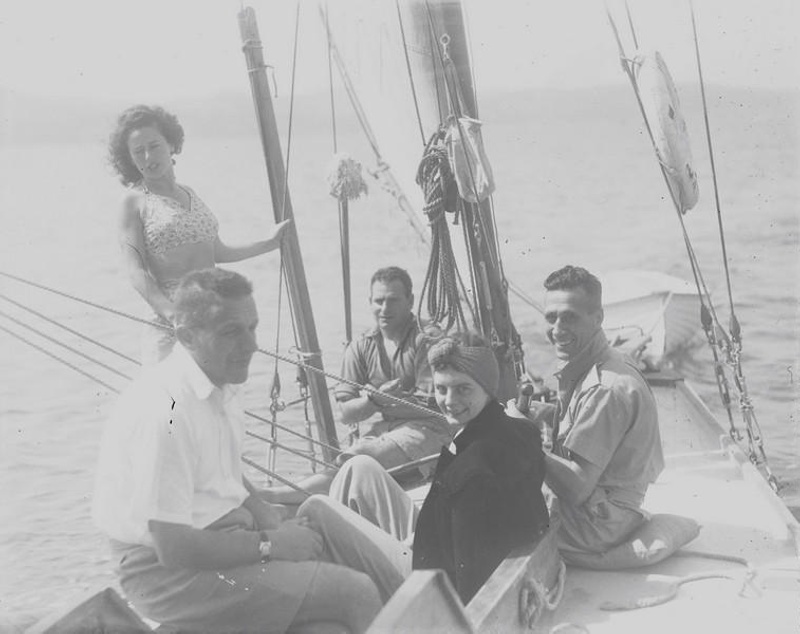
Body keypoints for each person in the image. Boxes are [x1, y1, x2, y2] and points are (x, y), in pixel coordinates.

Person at [92, 268, 411, 634]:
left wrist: (268, 517)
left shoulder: (217, 381)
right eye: (231, 331)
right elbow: (173, 547)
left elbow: (224, 475)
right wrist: (271, 544)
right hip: (170, 577)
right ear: (186, 336)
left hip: (223, 534)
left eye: (252, 327)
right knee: (352, 592)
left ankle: (433, 608)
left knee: (320, 514)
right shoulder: (167, 412)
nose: (251, 345)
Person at [330, 331, 549, 604]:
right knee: (359, 469)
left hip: (434, 590)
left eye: (463, 389)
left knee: (319, 511)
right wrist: (410, 542)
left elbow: (467, 585)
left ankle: (342, 600)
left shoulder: (473, 470)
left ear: (488, 388)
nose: (449, 401)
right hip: (436, 544)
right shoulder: (517, 429)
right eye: (441, 389)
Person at [107, 104, 290, 363]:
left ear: (171, 144)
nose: (148, 157)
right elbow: (136, 272)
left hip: (212, 318)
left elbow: (218, 251)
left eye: (154, 146)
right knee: (174, 390)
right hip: (173, 324)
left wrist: (270, 242)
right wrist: (173, 315)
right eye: (138, 151)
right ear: (130, 158)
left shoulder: (190, 192)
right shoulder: (133, 202)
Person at [510, 265, 664, 558]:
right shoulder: (608, 362)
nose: (557, 329)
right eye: (551, 318)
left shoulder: (604, 389)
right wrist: (548, 413)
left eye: (569, 317)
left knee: (478, 516)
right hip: (606, 511)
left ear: (598, 318)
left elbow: (577, 489)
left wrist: (522, 439)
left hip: (593, 526)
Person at [334, 266, 452, 471]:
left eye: (393, 300)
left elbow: (433, 406)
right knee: (342, 464)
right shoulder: (361, 346)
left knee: (355, 463)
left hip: (433, 429)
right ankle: (280, 492)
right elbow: (345, 414)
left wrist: (379, 402)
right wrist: (373, 400)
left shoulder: (428, 339)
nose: (385, 309)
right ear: (370, 302)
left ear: (410, 301)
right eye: (379, 301)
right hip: (387, 429)